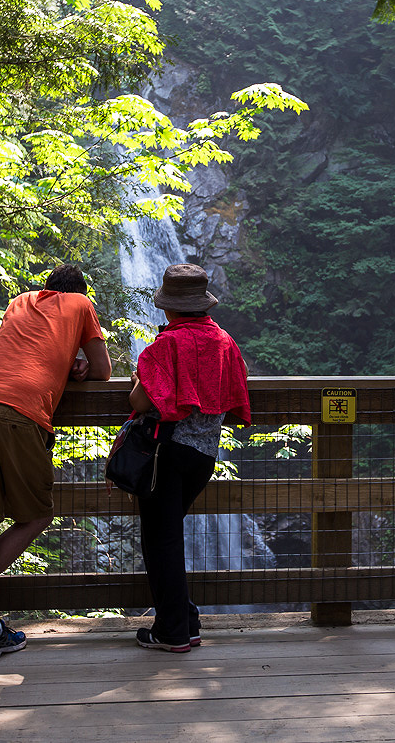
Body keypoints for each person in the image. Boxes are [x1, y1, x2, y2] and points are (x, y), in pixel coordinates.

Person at [0, 265, 112, 662]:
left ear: (46, 290)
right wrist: (78, 368)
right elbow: (103, 370)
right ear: (79, 293)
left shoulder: (20, 301)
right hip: (20, 413)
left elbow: (25, 350)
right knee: (35, 516)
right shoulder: (81, 303)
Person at [127, 263, 250, 653]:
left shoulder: (167, 345)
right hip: (204, 457)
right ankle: (187, 622)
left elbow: (143, 401)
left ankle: (173, 632)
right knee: (168, 538)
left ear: (170, 307)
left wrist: (135, 382)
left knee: (161, 542)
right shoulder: (224, 342)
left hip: (166, 453)